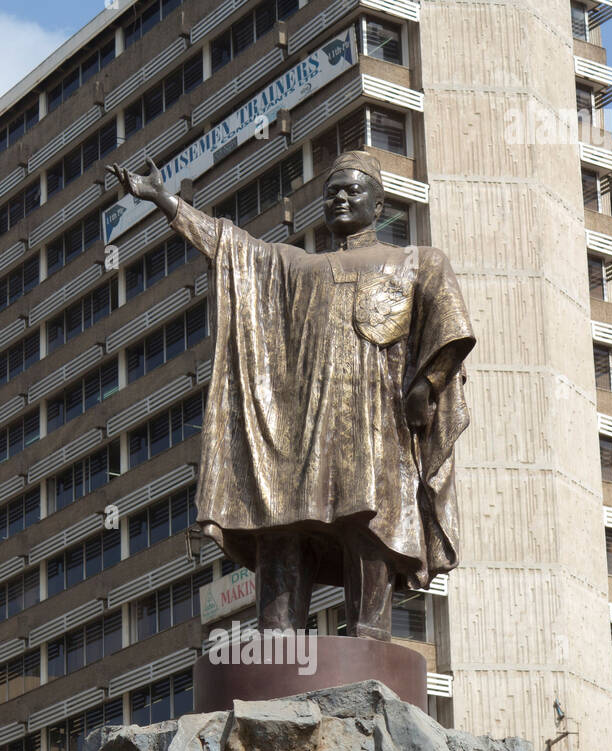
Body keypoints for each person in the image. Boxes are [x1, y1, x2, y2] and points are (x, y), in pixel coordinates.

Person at [108, 151, 474, 640]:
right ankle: (277, 637)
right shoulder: (297, 266)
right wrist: (163, 200)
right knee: (281, 526)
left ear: (379, 201)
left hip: (373, 424)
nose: (340, 197)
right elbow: (227, 246)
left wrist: (426, 384)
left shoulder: (416, 262)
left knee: (370, 523)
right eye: (330, 192)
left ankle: (369, 637)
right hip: (297, 430)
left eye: (352, 189)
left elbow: (451, 330)